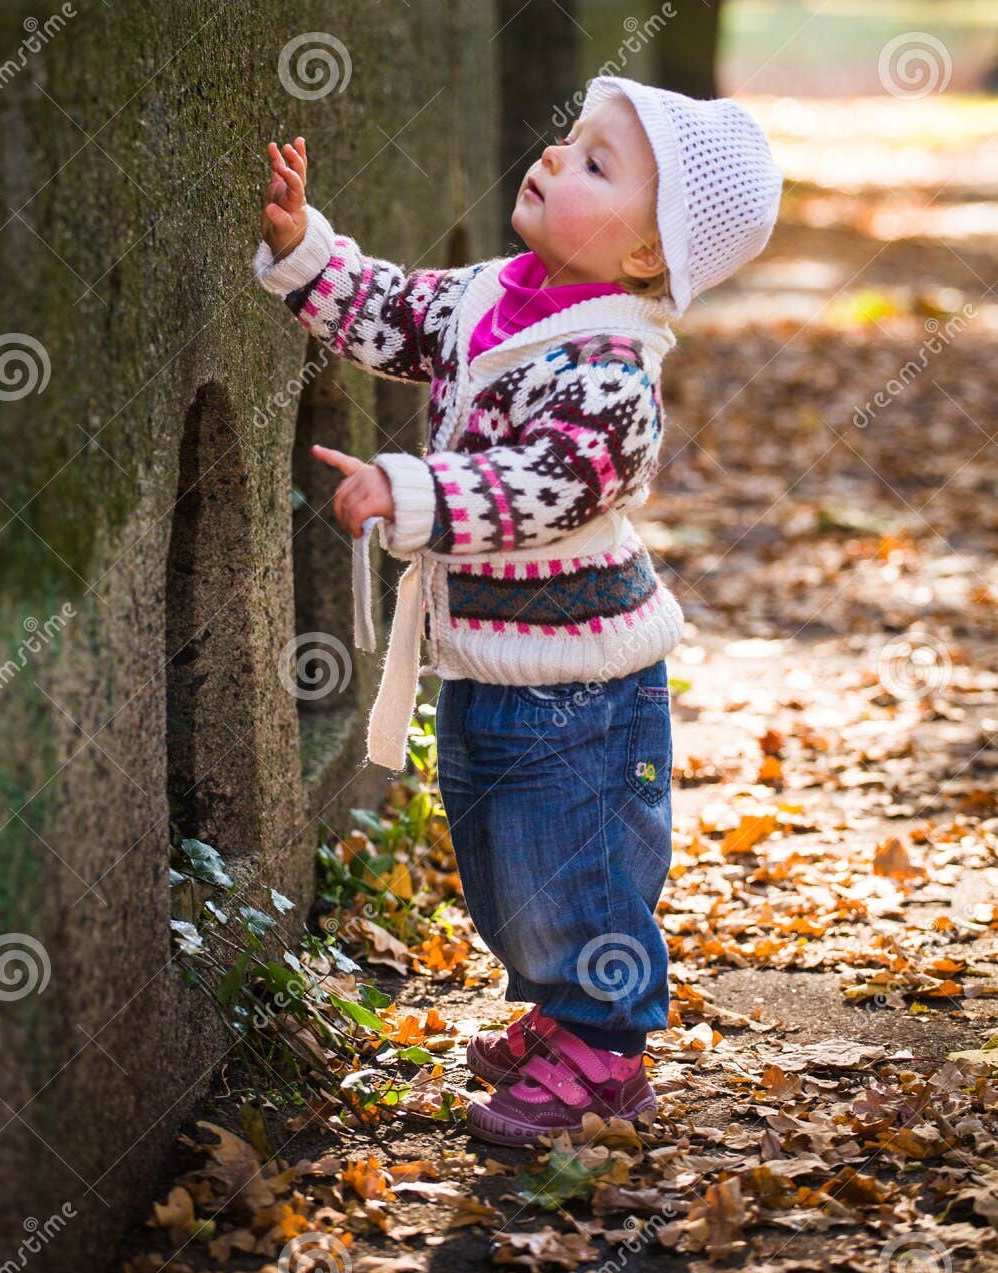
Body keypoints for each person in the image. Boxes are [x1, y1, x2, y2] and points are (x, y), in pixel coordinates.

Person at [254, 75, 782, 1145]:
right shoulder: (498, 292)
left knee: (572, 860)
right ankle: (561, 1008)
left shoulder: (610, 373)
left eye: (595, 165)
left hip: (580, 684)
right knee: (503, 861)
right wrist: (309, 248)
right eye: (566, 138)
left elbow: (540, 487)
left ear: (645, 255)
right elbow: (396, 312)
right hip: (489, 660)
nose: (552, 158)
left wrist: (413, 493)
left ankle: (604, 1053)